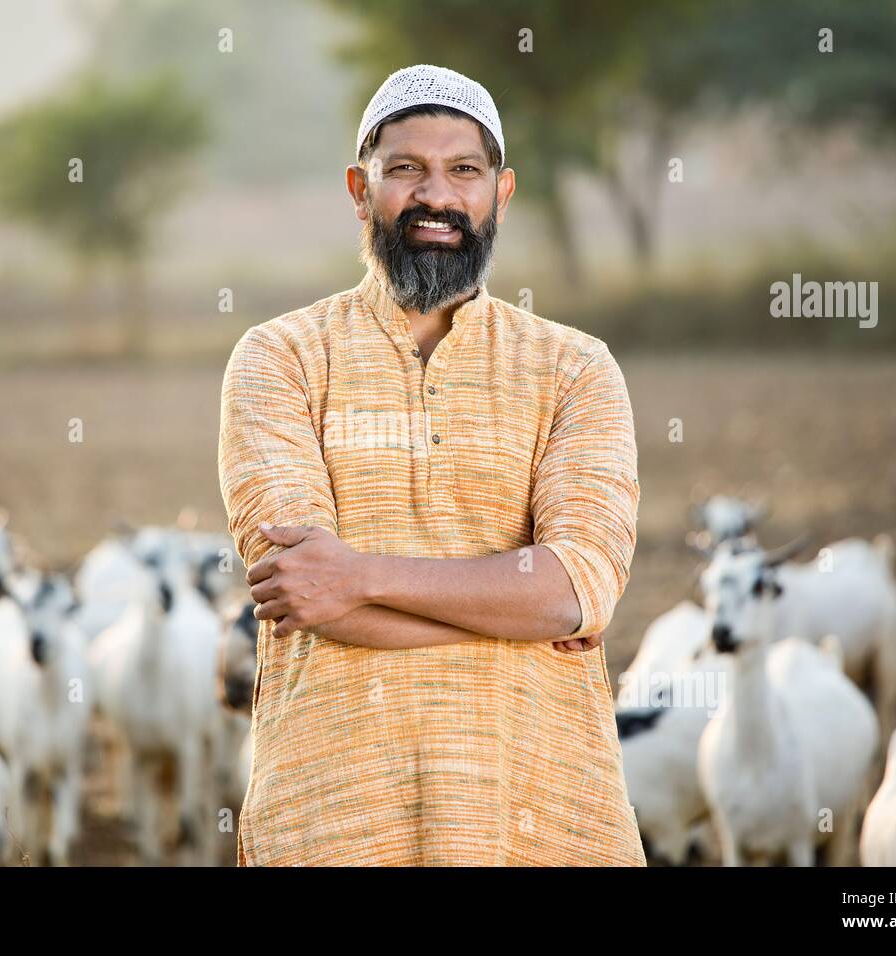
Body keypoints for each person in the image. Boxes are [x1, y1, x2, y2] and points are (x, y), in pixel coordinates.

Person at [218, 64, 643, 866]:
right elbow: (308, 592)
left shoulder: (575, 369)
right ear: (358, 187)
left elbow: (577, 587)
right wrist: (517, 619)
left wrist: (361, 574)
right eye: (405, 169)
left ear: (502, 194)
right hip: (336, 809)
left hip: (542, 807)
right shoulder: (280, 360)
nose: (435, 197)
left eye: (464, 171)